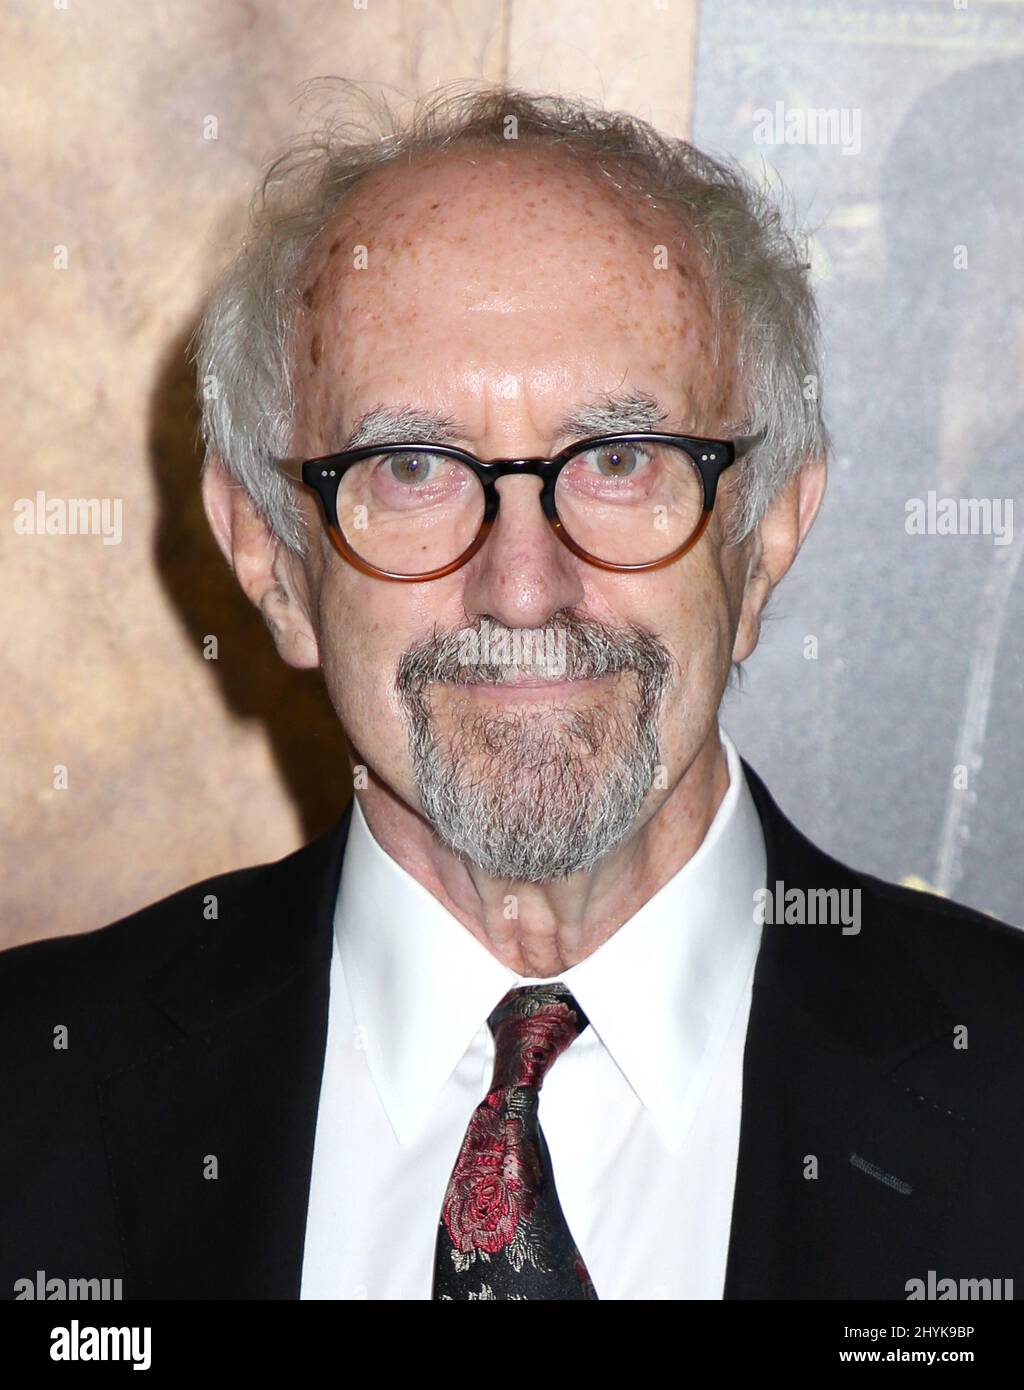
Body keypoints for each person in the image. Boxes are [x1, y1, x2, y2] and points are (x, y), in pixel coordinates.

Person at [3, 82, 1022, 1301]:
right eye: (417, 466)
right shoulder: (33, 1094)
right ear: (271, 555)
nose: (523, 587)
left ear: (765, 533)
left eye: (619, 459)